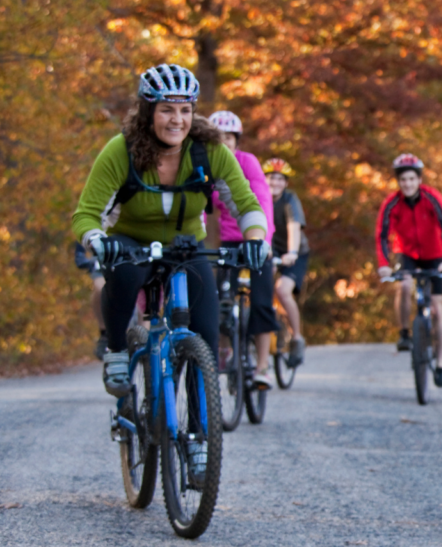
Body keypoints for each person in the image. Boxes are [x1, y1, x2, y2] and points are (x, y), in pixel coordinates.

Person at [72, 63, 270, 400]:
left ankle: (198, 435)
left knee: (206, 332)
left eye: (184, 110)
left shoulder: (210, 151)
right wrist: (97, 241)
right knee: (124, 274)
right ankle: (117, 349)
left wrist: (255, 240)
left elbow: (246, 204)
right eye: (166, 110)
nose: (177, 119)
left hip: (186, 245)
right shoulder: (122, 151)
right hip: (131, 242)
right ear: (148, 112)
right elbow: (87, 215)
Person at [209, 110, 279, 389]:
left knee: (261, 302)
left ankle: (262, 367)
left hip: (257, 240)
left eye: (228, 138)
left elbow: (263, 200)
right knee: (218, 301)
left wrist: (265, 241)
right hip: (228, 242)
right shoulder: (206, 166)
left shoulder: (247, 162)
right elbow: (200, 208)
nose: (223, 143)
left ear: (236, 140)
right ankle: (225, 353)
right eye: (218, 138)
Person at [375, 153, 442, 387]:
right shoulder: (391, 203)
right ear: (398, 182)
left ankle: (440, 364)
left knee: (437, 308)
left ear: (419, 179)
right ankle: (404, 333)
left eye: (412, 179)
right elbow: (381, 234)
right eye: (403, 180)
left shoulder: (432, 198)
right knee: (404, 285)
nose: (407, 184)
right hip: (407, 254)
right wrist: (383, 264)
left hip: (435, 256)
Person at [264, 157, 309, 365]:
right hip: (269, 252)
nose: (275, 183)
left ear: (286, 183)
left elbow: (294, 227)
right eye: (271, 178)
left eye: (280, 179)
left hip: (294, 253)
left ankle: (297, 337)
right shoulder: (258, 198)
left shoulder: (290, 200)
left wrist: (291, 252)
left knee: (282, 290)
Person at [73, 242, 108, 360]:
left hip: (131, 253)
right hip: (101, 257)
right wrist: (80, 253)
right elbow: (84, 227)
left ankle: (145, 344)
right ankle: (104, 333)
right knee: (101, 289)